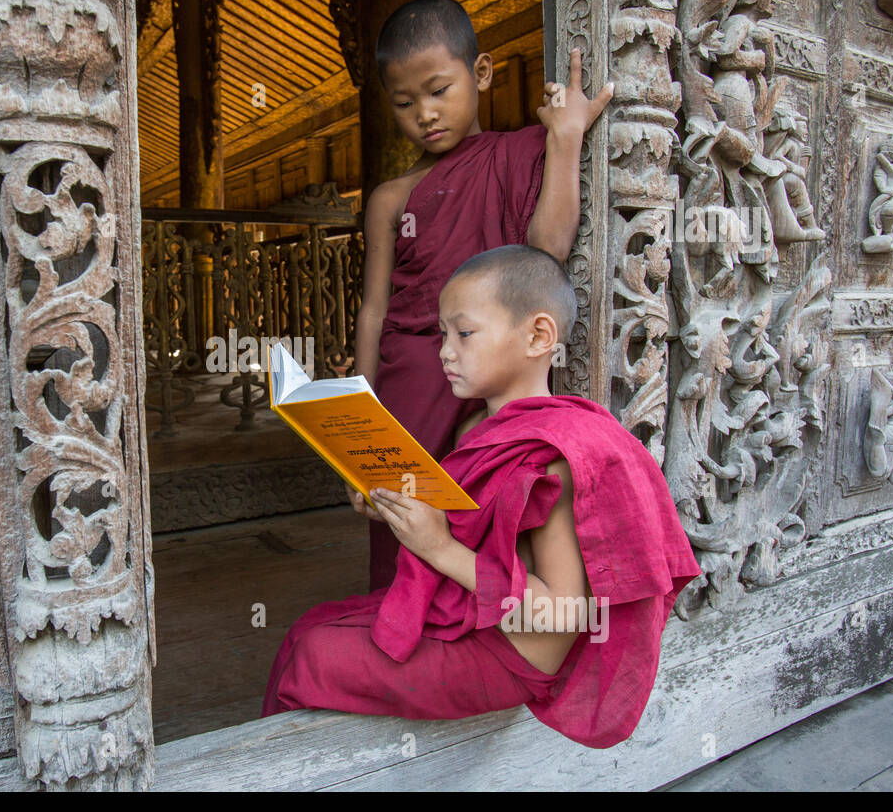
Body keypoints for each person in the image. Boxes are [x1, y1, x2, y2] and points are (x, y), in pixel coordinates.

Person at [263, 245, 703, 749]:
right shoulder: (482, 428)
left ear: (538, 336)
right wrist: (397, 508)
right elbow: (478, 528)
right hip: (472, 623)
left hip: (510, 656)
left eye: (464, 334)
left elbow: (563, 614)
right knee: (310, 626)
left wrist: (438, 549)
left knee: (312, 654)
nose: (446, 352)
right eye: (443, 335)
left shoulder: (558, 451)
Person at [354, 0, 614, 592]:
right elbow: (374, 310)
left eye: (439, 89)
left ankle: (474, 647)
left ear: (482, 73)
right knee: (398, 526)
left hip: (486, 377)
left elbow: (544, 252)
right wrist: (364, 421)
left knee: (478, 518)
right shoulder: (391, 199)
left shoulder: (517, 153)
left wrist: (566, 140)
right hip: (409, 385)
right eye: (404, 102)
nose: (425, 112)